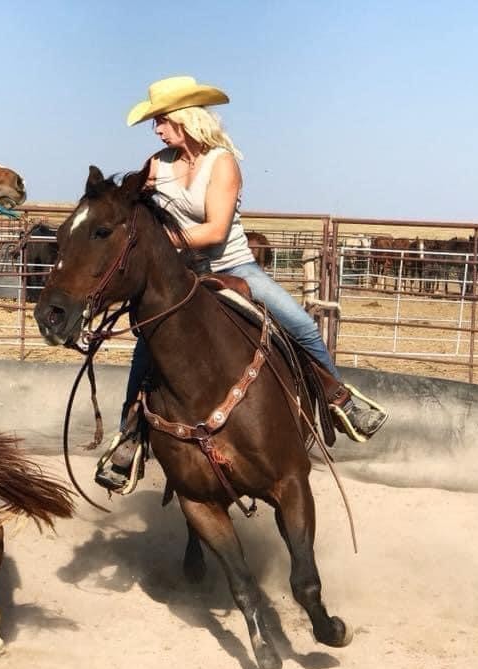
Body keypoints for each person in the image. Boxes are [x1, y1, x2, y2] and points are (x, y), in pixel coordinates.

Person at [96, 76, 388, 491]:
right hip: (182, 275)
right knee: (146, 349)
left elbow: (215, 232)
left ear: (184, 119)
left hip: (234, 267)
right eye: (155, 123)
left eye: (161, 120)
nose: (157, 129)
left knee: (299, 324)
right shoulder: (156, 166)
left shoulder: (222, 162)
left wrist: (159, 245)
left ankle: (338, 398)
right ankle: (129, 437)